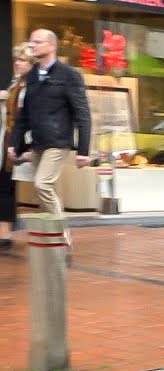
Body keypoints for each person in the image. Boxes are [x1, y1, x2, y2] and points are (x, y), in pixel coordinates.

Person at [8, 28, 92, 239]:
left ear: (51, 46)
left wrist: (83, 150)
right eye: (31, 42)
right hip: (38, 142)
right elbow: (24, 114)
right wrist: (15, 144)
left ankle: (63, 236)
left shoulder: (69, 75)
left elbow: (82, 113)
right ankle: (48, 240)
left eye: (37, 42)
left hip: (58, 142)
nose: (32, 46)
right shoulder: (33, 75)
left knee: (42, 183)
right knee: (44, 190)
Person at [1, 45, 35, 251]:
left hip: (21, 139)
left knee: (8, 185)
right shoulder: (17, 83)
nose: (17, 62)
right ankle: (4, 231)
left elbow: (29, 116)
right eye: (17, 59)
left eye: (22, 60)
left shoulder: (31, 86)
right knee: (5, 184)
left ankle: (5, 232)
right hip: (9, 138)